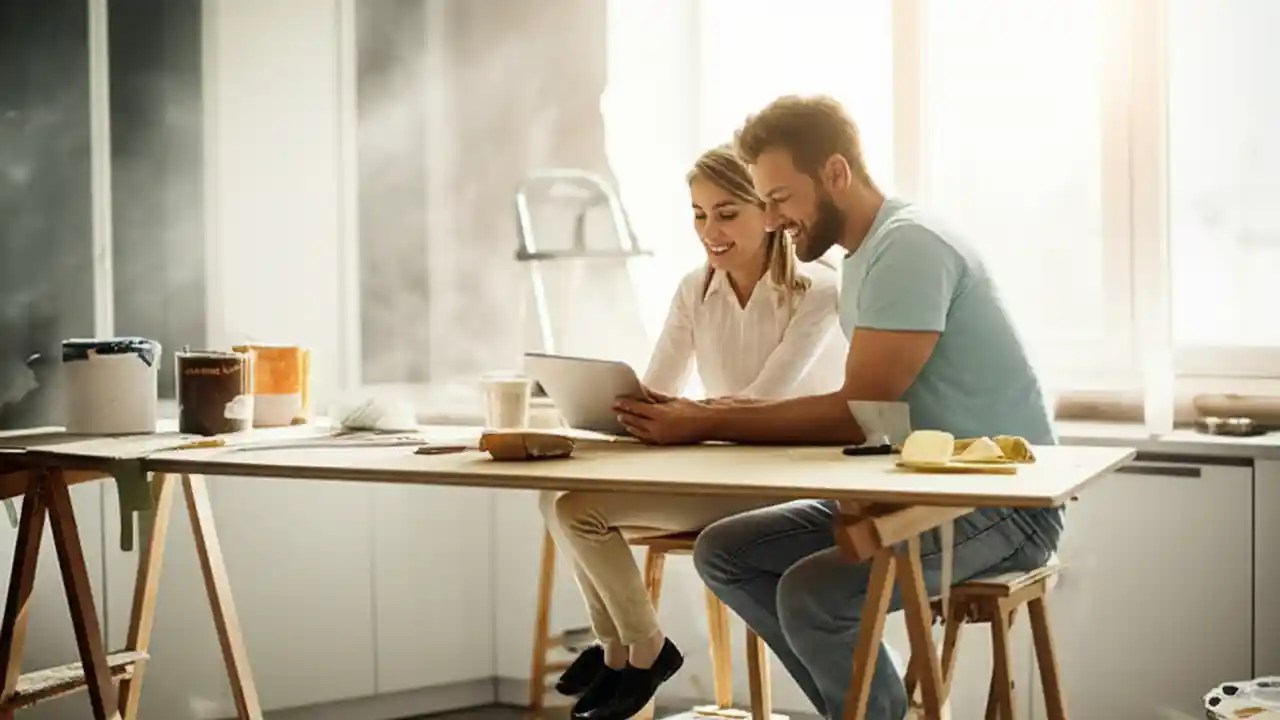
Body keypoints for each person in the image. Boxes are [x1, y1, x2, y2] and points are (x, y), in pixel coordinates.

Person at [613, 95, 1060, 720]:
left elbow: (858, 410)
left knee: (812, 594)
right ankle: (870, 711)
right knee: (724, 552)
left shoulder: (909, 247)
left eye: (780, 199)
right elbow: (873, 417)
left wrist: (707, 418)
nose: (773, 221)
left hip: (998, 507)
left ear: (836, 173)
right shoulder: (863, 257)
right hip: (917, 493)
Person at [542, 144, 845, 720]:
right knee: (551, 498)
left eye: (727, 213)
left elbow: (764, 400)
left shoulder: (818, 291)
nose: (710, 230)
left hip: (786, 482)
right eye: (699, 214)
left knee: (581, 511)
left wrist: (686, 415)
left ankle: (647, 651)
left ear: (768, 213)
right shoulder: (695, 287)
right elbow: (659, 384)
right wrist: (619, 405)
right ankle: (617, 653)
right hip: (718, 468)